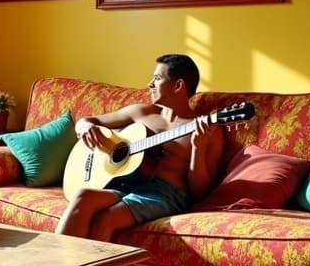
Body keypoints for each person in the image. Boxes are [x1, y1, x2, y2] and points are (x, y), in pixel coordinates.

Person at [55, 54, 224, 241]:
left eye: (157, 79)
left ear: (178, 86)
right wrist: (86, 127)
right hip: (126, 182)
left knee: (106, 219)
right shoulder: (140, 112)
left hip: (164, 194)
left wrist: (198, 149)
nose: (149, 84)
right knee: (82, 197)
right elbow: (87, 121)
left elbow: (199, 192)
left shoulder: (207, 130)